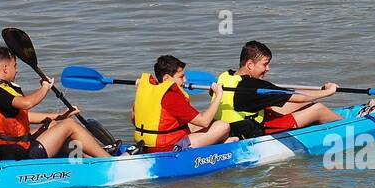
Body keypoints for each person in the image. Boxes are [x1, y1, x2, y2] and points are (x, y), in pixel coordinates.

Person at [0, 47, 112, 160]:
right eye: (15, 66)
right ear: (6, 68)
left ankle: (87, 159)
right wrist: (44, 87)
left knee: (56, 124)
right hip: (18, 155)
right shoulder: (1, 91)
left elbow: (24, 116)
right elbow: (27, 103)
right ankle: (109, 161)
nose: (16, 70)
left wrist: (60, 116)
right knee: (70, 125)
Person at [214, 41, 342, 139]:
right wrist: (329, 91)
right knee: (317, 108)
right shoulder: (254, 86)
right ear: (250, 65)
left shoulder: (225, 76)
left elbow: (293, 95)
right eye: (265, 64)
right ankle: (351, 127)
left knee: (301, 103)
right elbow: (300, 96)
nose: (268, 68)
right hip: (251, 132)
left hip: (226, 129)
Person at [131, 55, 231, 152]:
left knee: (193, 124)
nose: (185, 80)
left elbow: (134, 121)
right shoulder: (171, 96)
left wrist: (140, 91)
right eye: (181, 77)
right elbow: (204, 121)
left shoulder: (147, 91)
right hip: (168, 148)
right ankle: (221, 146)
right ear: (166, 78)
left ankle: (220, 143)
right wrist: (218, 95)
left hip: (147, 145)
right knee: (223, 126)